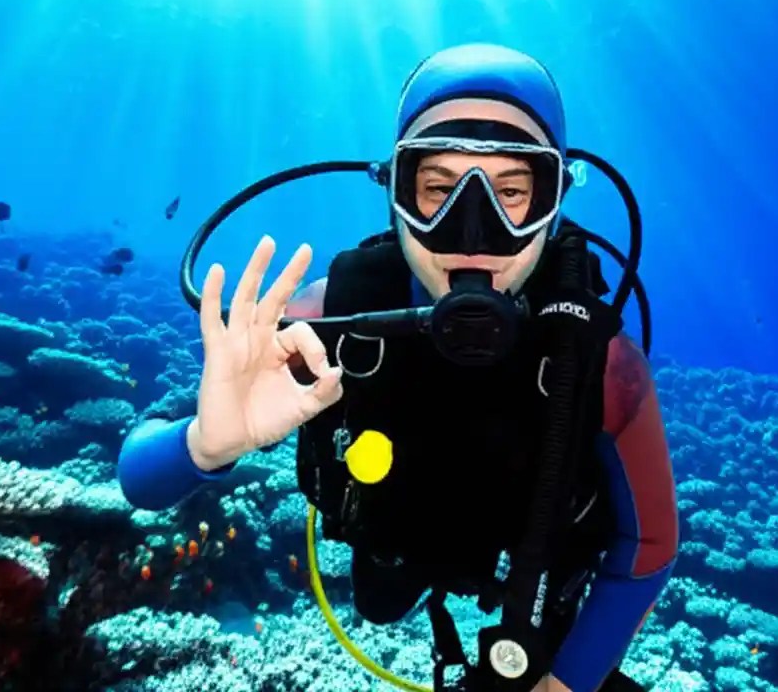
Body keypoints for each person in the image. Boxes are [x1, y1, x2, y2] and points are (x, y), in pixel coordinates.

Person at [118, 43, 679, 692]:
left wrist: (567, 683)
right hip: (397, 533)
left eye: (514, 193)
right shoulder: (327, 319)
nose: (474, 233)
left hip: (534, 558)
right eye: (438, 188)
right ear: (396, 192)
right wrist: (206, 445)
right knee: (380, 599)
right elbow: (137, 479)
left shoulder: (601, 363)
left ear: (554, 204)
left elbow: (649, 549)